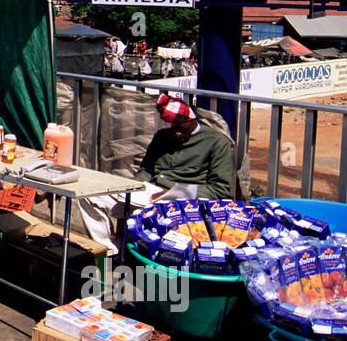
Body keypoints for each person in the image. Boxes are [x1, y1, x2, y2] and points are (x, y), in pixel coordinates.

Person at [75, 93, 235, 253]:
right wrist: (134, 186)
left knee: (138, 214)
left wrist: (175, 192)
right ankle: (110, 250)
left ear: (191, 120)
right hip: (148, 193)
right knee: (89, 196)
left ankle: (128, 252)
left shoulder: (217, 142)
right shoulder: (162, 136)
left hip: (180, 202)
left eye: (180, 127)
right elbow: (146, 169)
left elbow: (218, 189)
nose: (177, 132)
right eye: (173, 127)